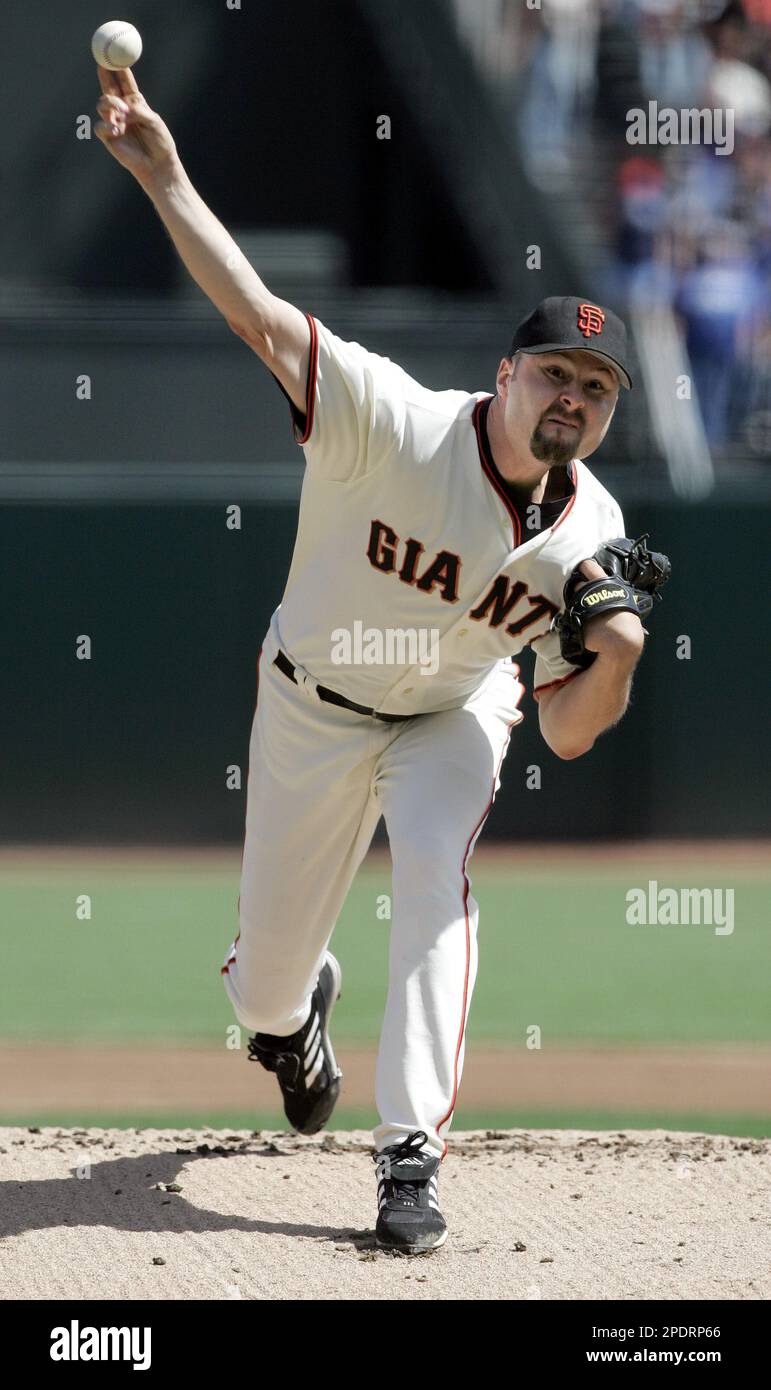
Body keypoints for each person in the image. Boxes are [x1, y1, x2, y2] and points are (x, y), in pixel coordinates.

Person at [95, 66, 647, 1255]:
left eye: (597, 391)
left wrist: (621, 649)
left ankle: (409, 1159)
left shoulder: (593, 532)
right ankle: (294, 1026)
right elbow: (253, 311)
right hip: (314, 703)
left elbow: (564, 729)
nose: (574, 399)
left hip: (455, 710)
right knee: (259, 992)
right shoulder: (388, 416)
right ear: (507, 376)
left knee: (437, 879)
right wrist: (165, 172)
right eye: (557, 372)